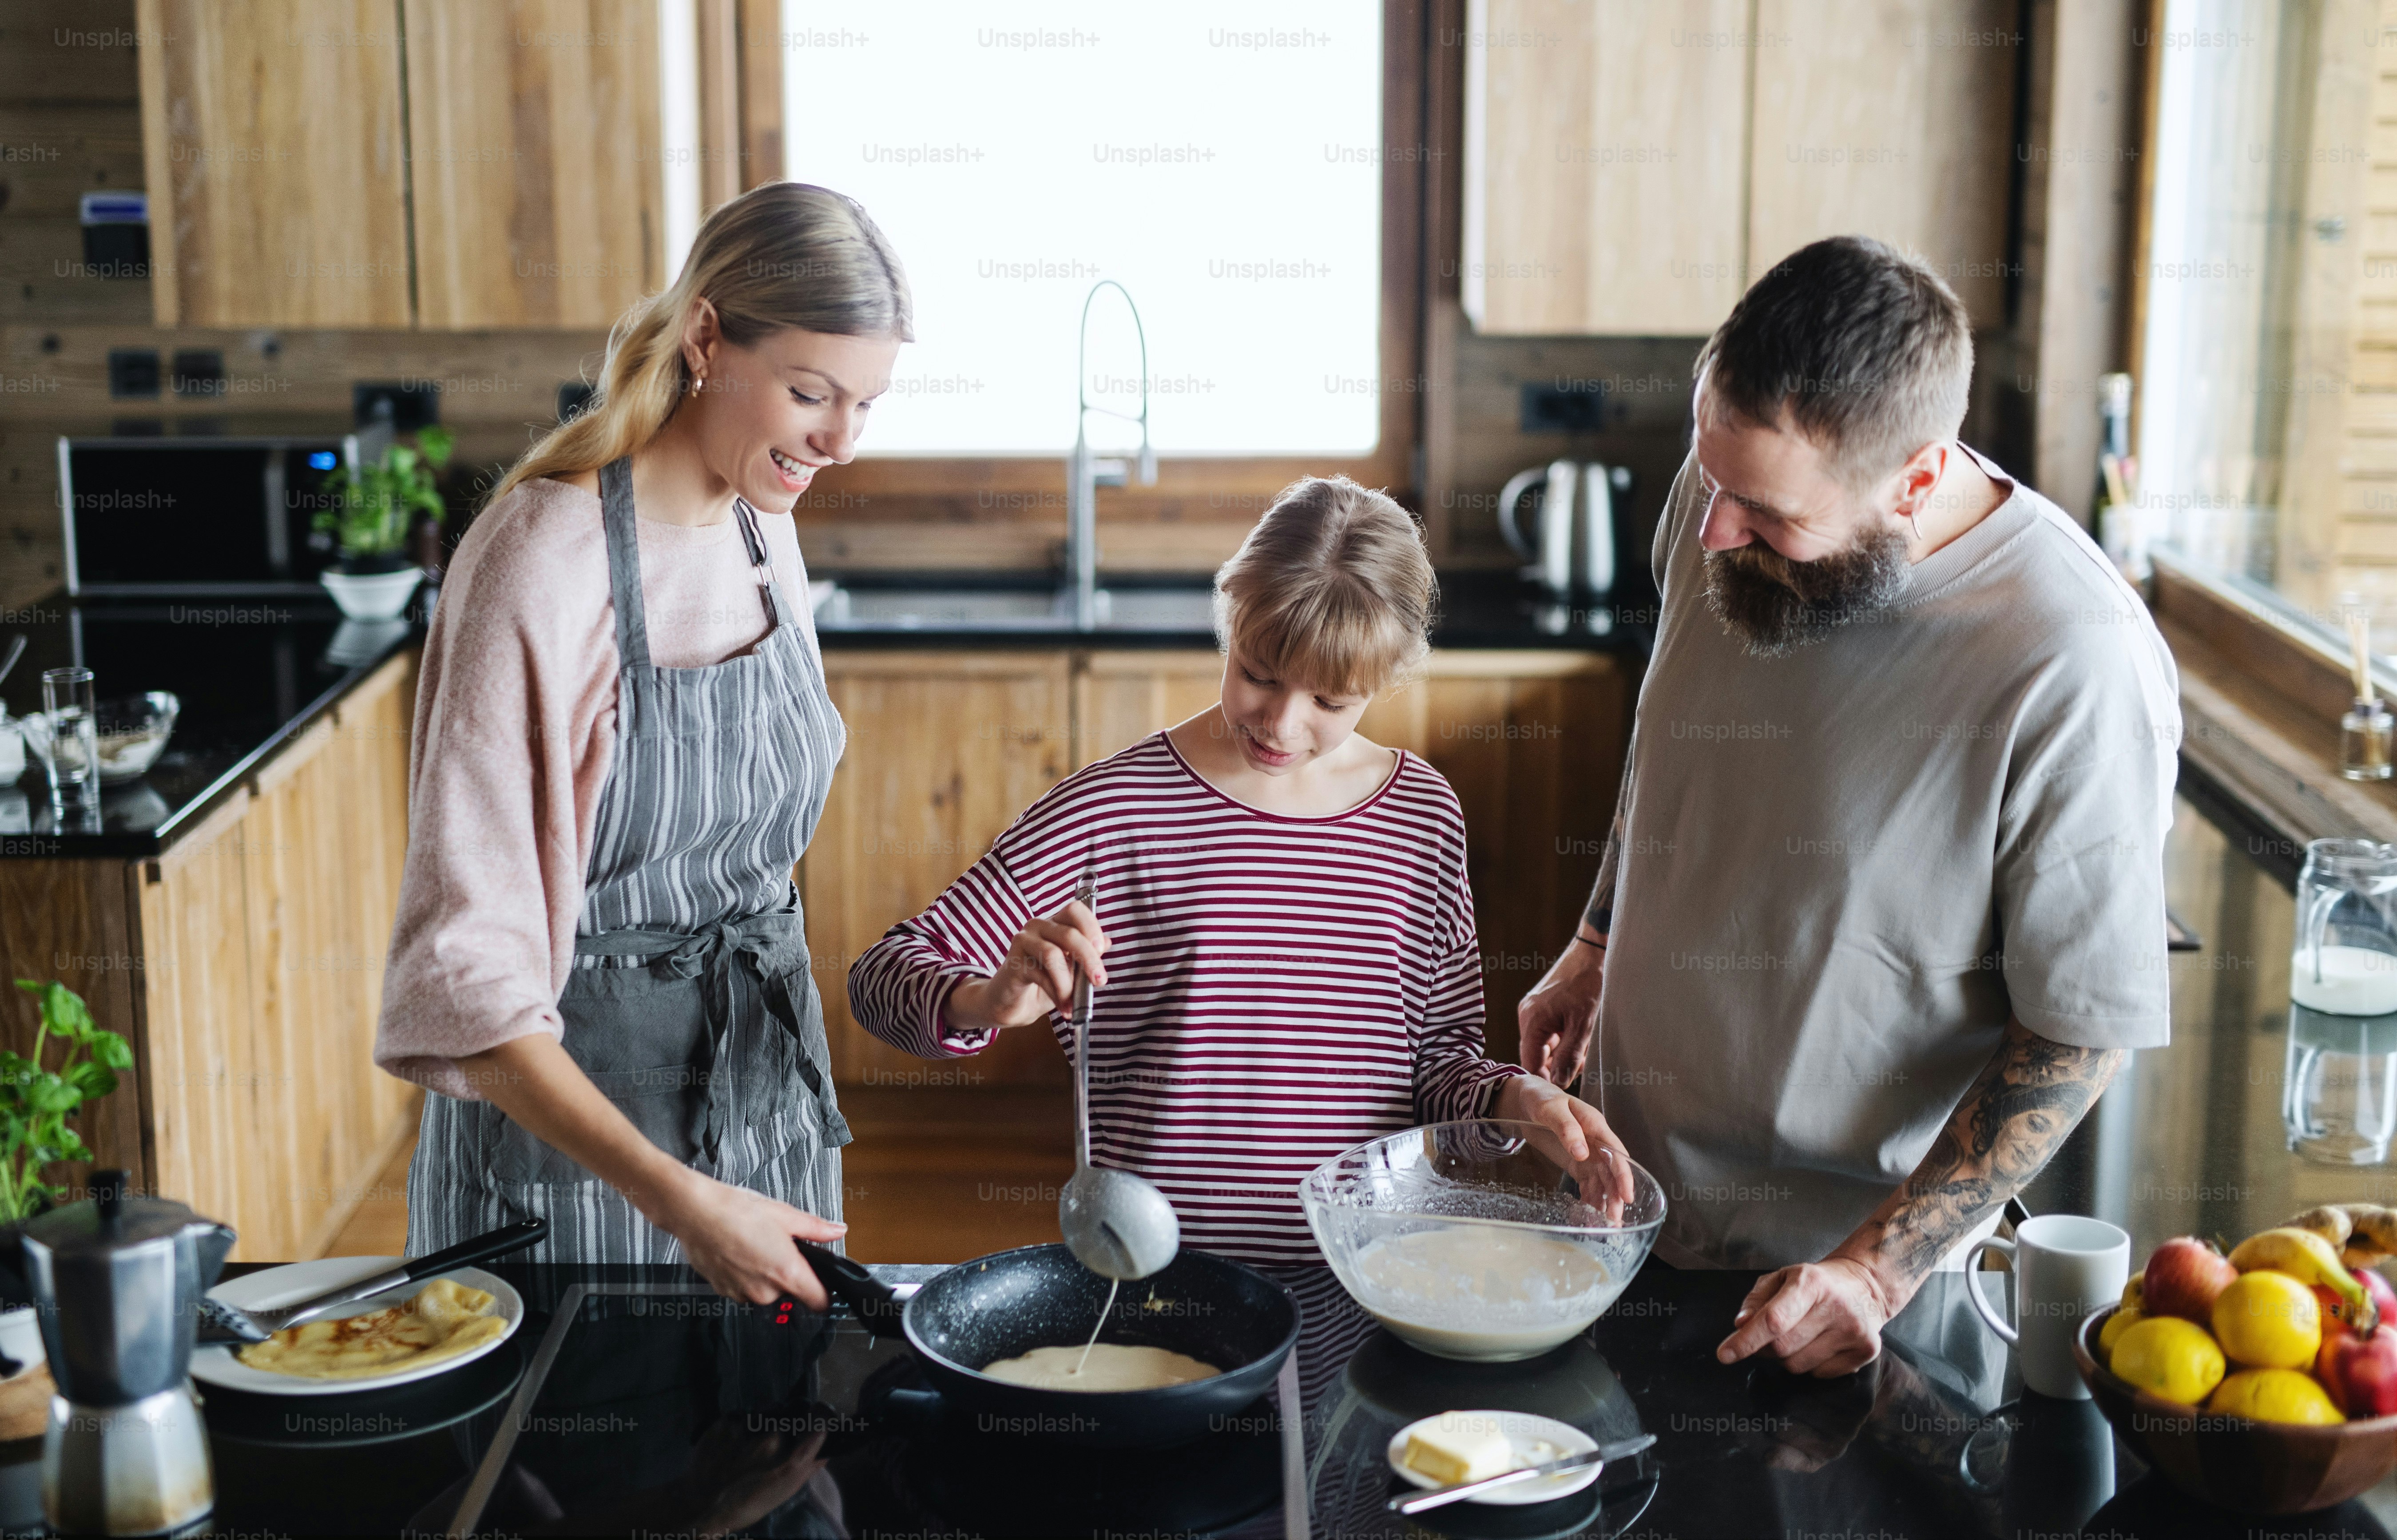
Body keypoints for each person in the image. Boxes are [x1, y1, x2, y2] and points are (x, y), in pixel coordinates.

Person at [1516, 236, 2181, 1375]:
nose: (1711, 526)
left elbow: (2078, 1029)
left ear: (1915, 479)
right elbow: (1668, 742)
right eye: (1707, 476)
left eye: (1764, 513)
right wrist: (1593, 939)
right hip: (1618, 1215)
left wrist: (1874, 1269)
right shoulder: (1721, 495)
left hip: (1837, 1303)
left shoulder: (2072, 660)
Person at [848, 476, 1630, 1261]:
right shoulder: (1110, 809)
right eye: (1258, 674)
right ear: (1230, 619)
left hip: (1359, 1271)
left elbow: (1438, 1066)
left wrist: (1516, 1098)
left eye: (1330, 700)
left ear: (1386, 678)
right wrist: (986, 999)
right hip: (1155, 1277)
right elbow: (878, 979)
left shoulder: (1421, 815)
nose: (1282, 724)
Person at [373, 183, 911, 1307]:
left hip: (762, 1111)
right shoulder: (539, 561)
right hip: (578, 1158)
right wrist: (675, 1197)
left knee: (771, 1451)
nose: (839, 442)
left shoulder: (768, 528)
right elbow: (463, 979)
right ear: (707, 337)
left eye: (864, 403)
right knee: (585, 1464)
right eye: (811, 393)